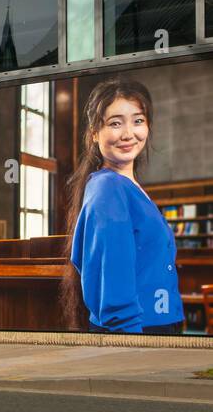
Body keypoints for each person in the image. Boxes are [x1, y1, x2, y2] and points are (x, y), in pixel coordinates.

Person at [62, 77, 181, 335]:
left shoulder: (131, 188)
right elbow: (114, 294)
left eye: (138, 121)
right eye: (115, 123)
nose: (128, 133)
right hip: (137, 333)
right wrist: (132, 350)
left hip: (157, 326)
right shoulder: (109, 189)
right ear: (95, 133)